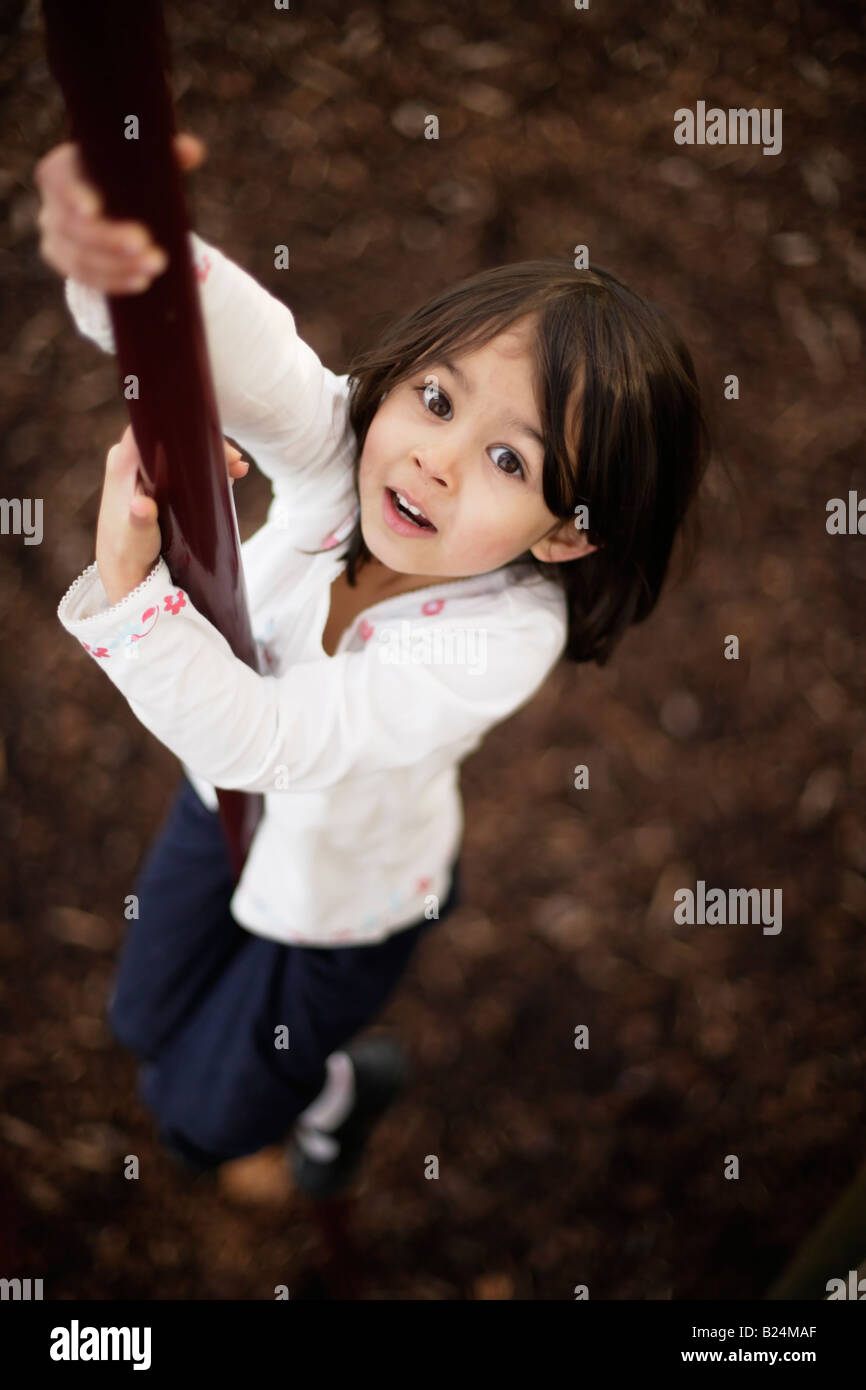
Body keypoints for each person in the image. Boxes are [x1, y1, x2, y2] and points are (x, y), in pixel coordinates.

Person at [35, 136, 710, 1197]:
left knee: (202, 1118)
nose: (435, 458)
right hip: (222, 811)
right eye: (437, 400)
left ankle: (338, 1090)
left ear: (565, 532)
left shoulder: (499, 642)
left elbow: (272, 739)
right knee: (140, 1020)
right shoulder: (350, 457)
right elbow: (255, 361)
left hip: (345, 898)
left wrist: (133, 595)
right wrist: (141, 263)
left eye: (509, 459)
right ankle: (261, 1082)